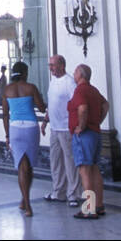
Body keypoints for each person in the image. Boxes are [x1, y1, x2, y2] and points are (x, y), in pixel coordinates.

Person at [1, 61, 47, 217]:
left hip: (15, 129)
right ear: (25, 73)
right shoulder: (31, 87)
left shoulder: (7, 89)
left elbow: (5, 115)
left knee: (22, 166)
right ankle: (28, 205)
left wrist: (7, 135)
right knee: (30, 166)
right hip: (30, 128)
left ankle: (24, 200)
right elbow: (41, 108)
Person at [68, 63, 109, 220]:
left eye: (75, 71)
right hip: (95, 133)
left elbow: (83, 108)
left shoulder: (80, 89)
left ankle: (89, 209)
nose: (73, 74)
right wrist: (97, 121)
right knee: (94, 169)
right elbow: (106, 105)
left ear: (81, 75)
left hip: (84, 135)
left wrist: (81, 126)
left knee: (84, 170)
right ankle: (99, 205)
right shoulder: (93, 90)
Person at [41, 54, 83, 207]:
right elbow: (51, 105)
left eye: (53, 65)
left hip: (66, 128)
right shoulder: (53, 81)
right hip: (54, 128)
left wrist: (77, 125)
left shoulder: (69, 82)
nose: (50, 68)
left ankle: (73, 194)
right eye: (50, 65)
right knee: (56, 161)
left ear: (62, 65)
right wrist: (45, 121)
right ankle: (58, 192)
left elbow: (77, 105)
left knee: (70, 162)